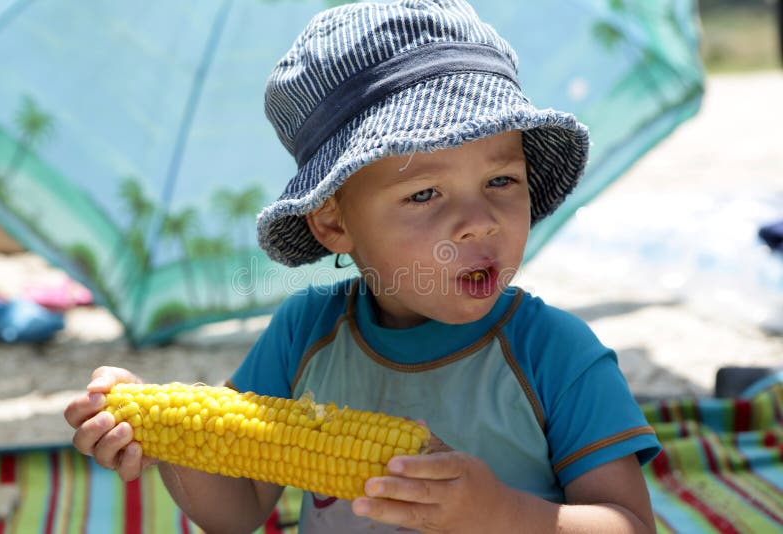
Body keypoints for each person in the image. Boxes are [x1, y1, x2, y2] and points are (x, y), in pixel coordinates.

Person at [65, 1, 662, 532]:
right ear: (333, 225)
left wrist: (500, 516)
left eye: (501, 179)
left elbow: (629, 522)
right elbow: (239, 509)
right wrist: (167, 437)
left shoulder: (555, 353)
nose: (479, 221)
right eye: (425, 194)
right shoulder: (306, 334)